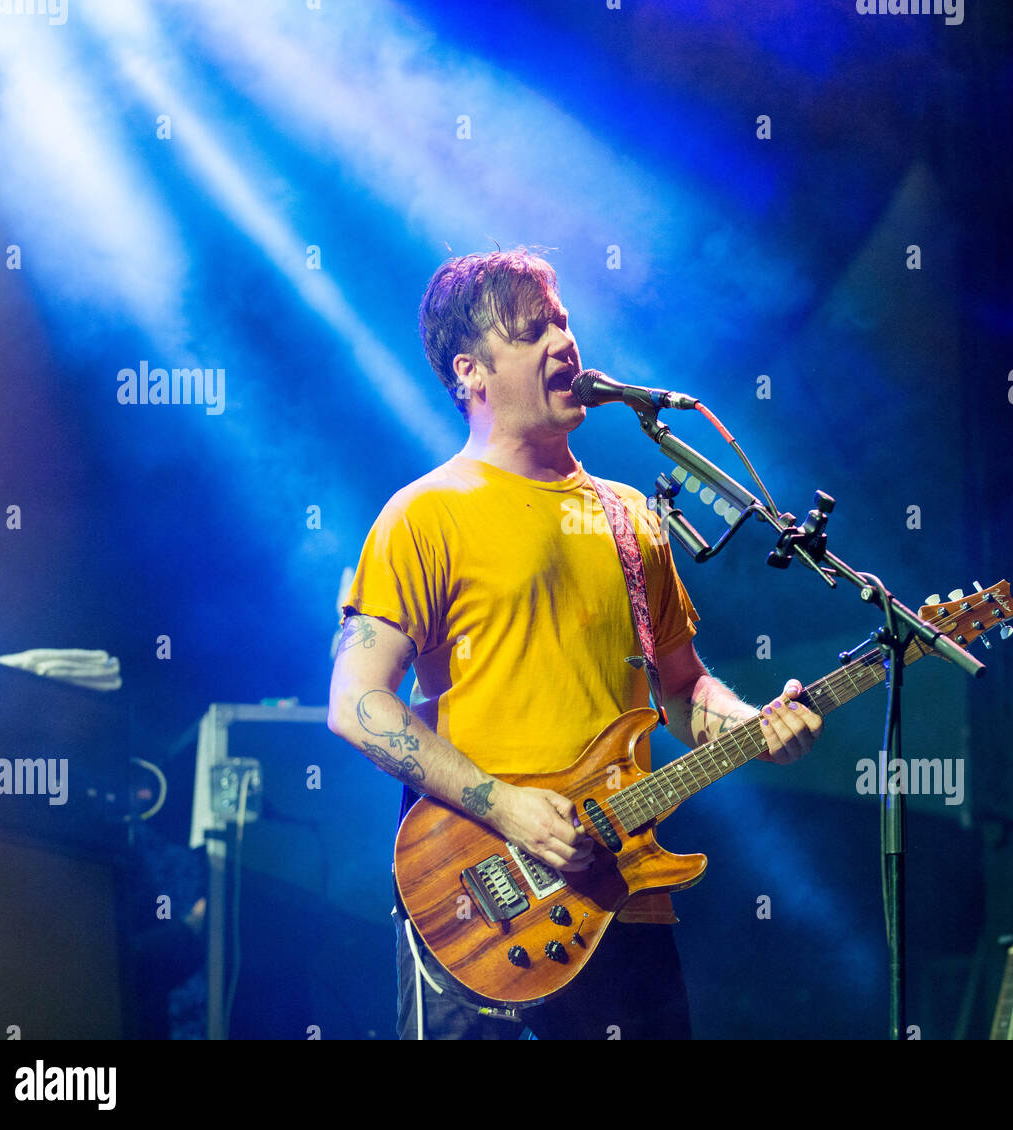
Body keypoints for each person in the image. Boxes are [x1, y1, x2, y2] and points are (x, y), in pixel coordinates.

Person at [326, 249, 822, 1039]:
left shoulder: (629, 518)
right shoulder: (423, 515)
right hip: (474, 903)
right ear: (471, 372)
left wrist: (755, 726)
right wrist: (506, 807)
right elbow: (357, 705)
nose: (564, 341)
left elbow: (685, 689)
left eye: (562, 320)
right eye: (532, 330)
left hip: (620, 900)